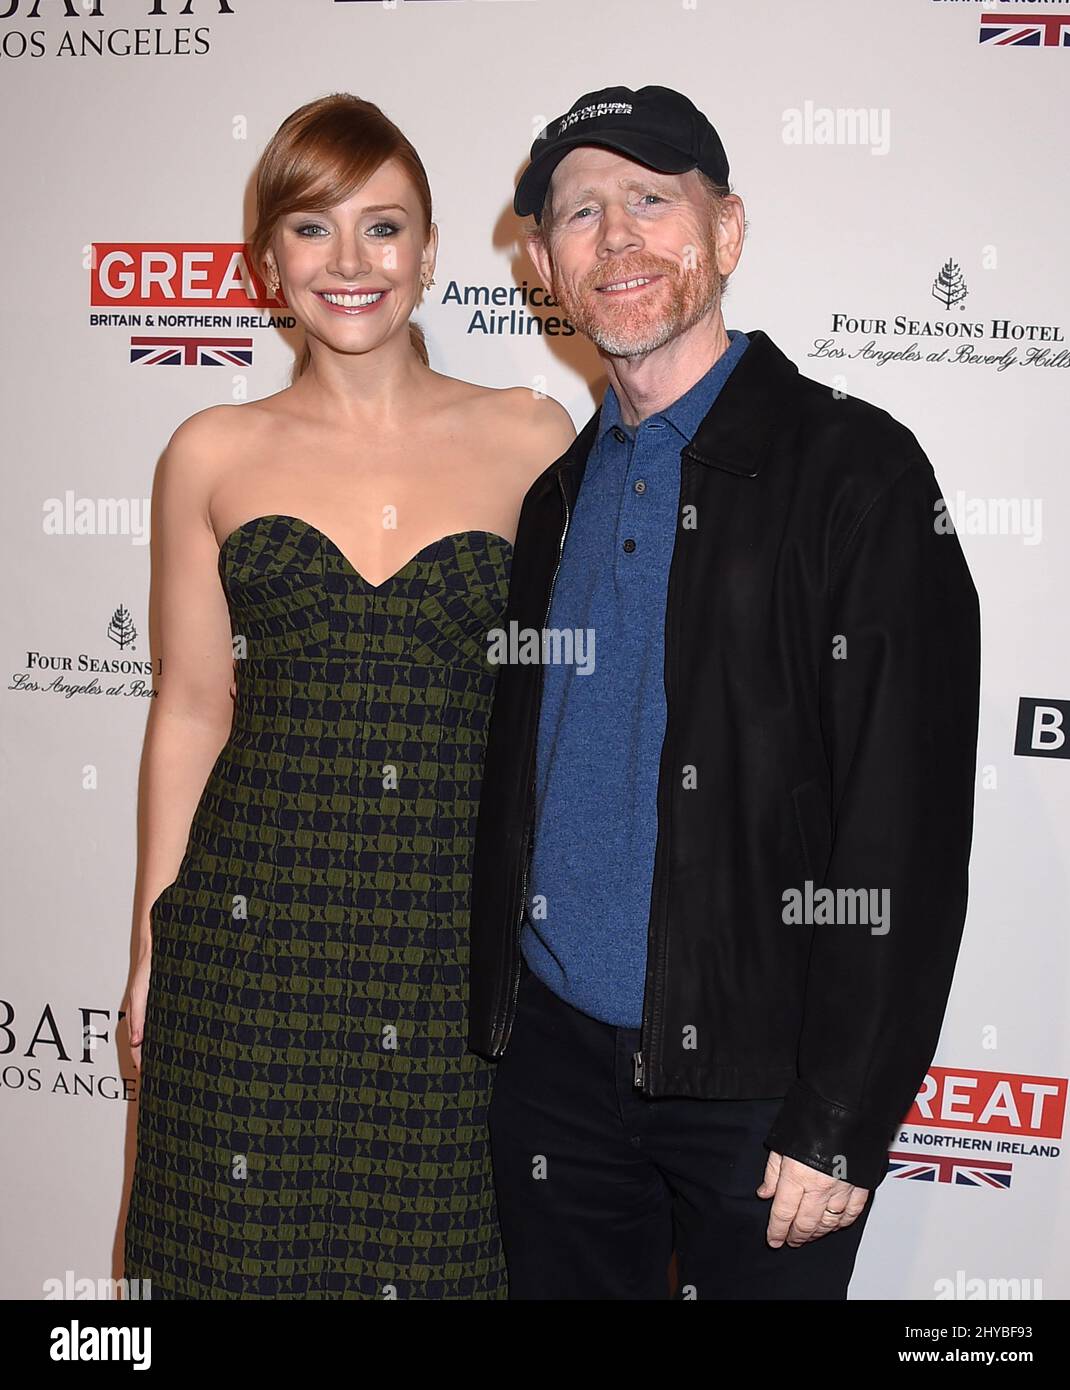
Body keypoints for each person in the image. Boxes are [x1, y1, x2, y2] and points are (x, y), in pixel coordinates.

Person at [469, 85, 981, 1299]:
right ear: (544, 263)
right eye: (581, 212)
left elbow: (901, 820)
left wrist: (843, 1112)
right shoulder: (554, 498)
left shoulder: (856, 470)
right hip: (553, 1064)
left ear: (728, 232)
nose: (620, 237)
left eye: (653, 198)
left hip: (763, 1085)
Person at [122, 91, 575, 1299]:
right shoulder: (210, 451)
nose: (351, 261)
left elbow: (569, 714)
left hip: (447, 956)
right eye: (313, 228)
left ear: (431, 254)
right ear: (267, 262)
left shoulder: (532, 437)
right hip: (248, 946)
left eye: (384, 228)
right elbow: (190, 709)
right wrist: (151, 951)